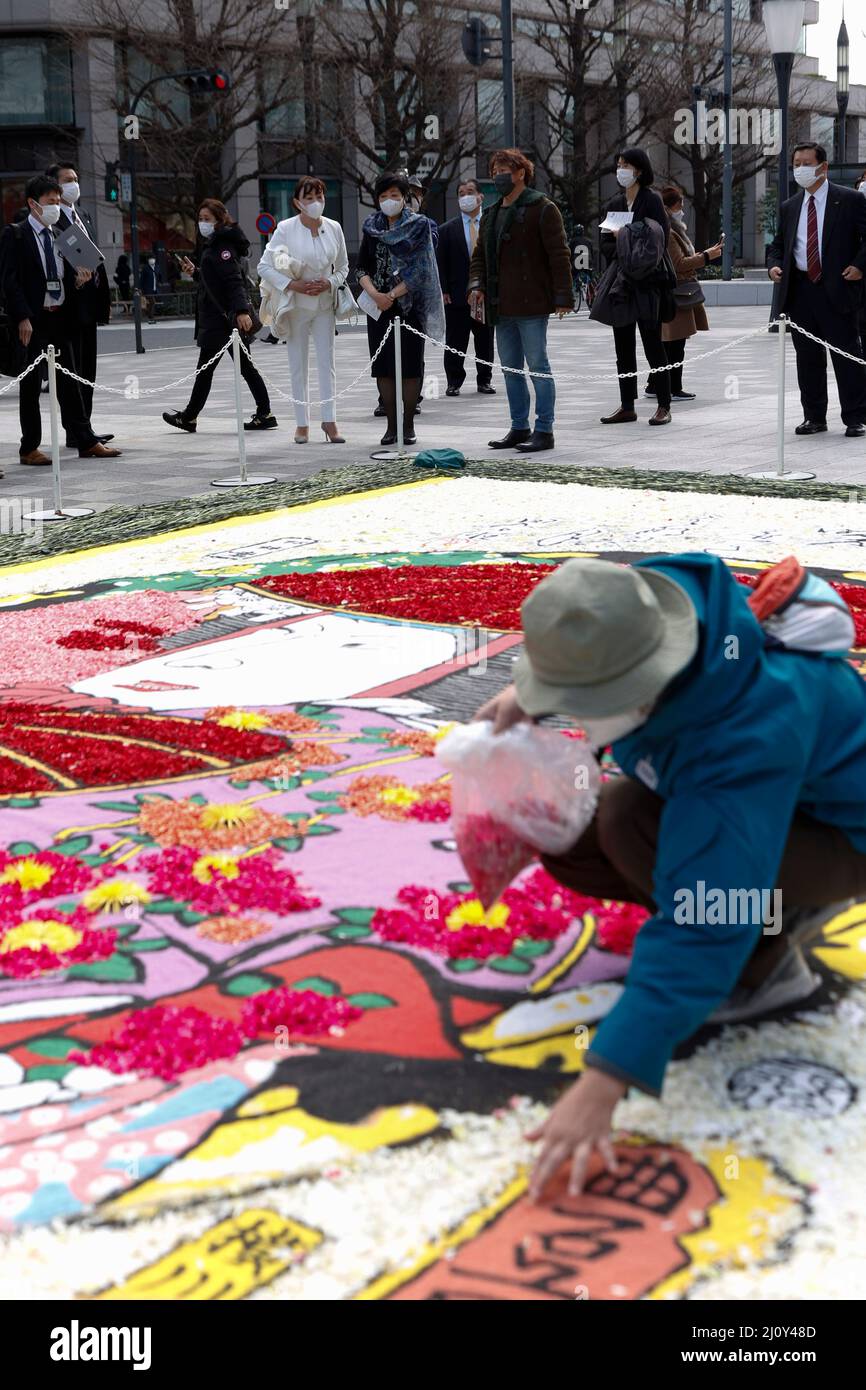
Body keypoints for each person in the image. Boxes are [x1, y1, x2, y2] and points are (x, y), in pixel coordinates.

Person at [474, 553, 866, 1200]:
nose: (570, 714)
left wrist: (605, 1079)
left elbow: (708, 909)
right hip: (776, 804)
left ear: (646, 688)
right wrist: (535, 692)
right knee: (575, 830)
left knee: (633, 821)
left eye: (583, 701)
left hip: (845, 841)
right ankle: (770, 915)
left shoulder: (744, 732)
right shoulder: (659, 609)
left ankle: (765, 964)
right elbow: (604, 648)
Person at [0, 174, 121, 465]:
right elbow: (9, 281)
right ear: (33, 204)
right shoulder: (16, 234)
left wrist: (81, 280)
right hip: (33, 320)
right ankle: (29, 447)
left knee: (70, 381)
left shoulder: (62, 235)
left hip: (61, 318)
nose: (55, 206)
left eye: (57, 201)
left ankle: (85, 440)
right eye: (49, 202)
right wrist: (23, 317)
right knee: (30, 387)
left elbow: (70, 276)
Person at [468, 147, 573, 453]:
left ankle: (544, 429)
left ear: (521, 173)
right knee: (510, 369)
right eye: (494, 171)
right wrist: (476, 285)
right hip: (502, 305)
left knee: (538, 364)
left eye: (504, 170)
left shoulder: (542, 207)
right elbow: (479, 257)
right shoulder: (491, 213)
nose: (498, 176)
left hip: (532, 303)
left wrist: (563, 296)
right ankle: (519, 426)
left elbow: (559, 254)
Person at [767, 143, 866, 439]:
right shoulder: (790, 206)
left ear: (822, 167)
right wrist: (773, 265)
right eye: (796, 163)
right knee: (807, 358)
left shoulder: (849, 200)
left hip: (837, 288)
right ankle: (814, 416)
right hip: (800, 291)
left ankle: (855, 417)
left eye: (805, 163)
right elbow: (778, 245)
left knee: (846, 355)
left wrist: (860, 265)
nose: (799, 169)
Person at [162, 199, 275, 434]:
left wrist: (243, 310)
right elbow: (215, 281)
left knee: (207, 370)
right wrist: (197, 273)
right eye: (200, 219)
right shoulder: (216, 244)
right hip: (223, 318)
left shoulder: (222, 246)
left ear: (219, 220)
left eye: (207, 219)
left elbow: (234, 280)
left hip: (222, 320)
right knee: (239, 368)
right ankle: (264, 413)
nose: (203, 223)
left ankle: (190, 417)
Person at [355, 172, 445, 447]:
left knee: (409, 367)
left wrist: (392, 294)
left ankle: (407, 425)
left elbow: (422, 270)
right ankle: (391, 426)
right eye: (383, 196)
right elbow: (361, 267)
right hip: (378, 307)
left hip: (408, 308)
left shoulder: (419, 226)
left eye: (394, 195)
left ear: (405, 198)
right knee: (383, 367)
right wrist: (375, 294)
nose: (389, 200)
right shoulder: (371, 227)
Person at [257, 175, 348, 444]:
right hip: (295, 305)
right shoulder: (286, 229)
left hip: (323, 304)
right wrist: (292, 284)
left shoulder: (334, 227)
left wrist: (329, 282)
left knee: (326, 362)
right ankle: (301, 423)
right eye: (309, 198)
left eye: (319, 197)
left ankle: (329, 420)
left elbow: (343, 267)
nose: (315, 202)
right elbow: (265, 266)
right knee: (298, 364)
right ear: (297, 202)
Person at [596, 148, 673, 427]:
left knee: (653, 343)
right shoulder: (614, 202)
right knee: (623, 345)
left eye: (626, 165)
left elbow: (657, 238)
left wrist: (624, 235)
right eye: (618, 165)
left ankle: (664, 404)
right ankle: (627, 405)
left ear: (639, 170)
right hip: (621, 282)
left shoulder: (651, 200)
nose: (621, 170)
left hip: (648, 280)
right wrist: (626, 242)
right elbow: (604, 242)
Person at [47, 163, 114, 446]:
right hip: (68, 307)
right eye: (67, 180)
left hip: (91, 304)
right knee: (70, 371)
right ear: (54, 186)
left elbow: (94, 259)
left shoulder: (83, 214)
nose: (73, 185)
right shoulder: (50, 221)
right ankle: (76, 430)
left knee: (88, 370)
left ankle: (85, 426)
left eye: (76, 179)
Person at [644, 185, 722, 402]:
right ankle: (673, 387)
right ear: (669, 207)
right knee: (675, 342)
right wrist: (707, 256)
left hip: (675, 291)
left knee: (669, 341)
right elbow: (678, 264)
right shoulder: (668, 230)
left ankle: (654, 384)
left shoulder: (670, 227)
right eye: (680, 205)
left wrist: (705, 253)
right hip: (676, 291)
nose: (683, 209)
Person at [436, 178, 496, 397]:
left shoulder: (491, 225)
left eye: (470, 192)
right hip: (456, 295)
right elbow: (440, 262)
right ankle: (454, 381)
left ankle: (485, 380)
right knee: (455, 340)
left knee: (485, 340)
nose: (466, 196)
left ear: (481, 196)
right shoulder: (446, 230)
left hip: (484, 295)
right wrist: (444, 290)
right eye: (461, 193)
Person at [139, 255, 158, 321]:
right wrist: (141, 288)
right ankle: (150, 315)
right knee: (152, 302)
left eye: (153, 258)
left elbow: (158, 276)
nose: (152, 260)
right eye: (150, 258)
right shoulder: (145, 268)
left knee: (151, 302)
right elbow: (142, 279)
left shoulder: (156, 267)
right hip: (147, 289)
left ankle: (149, 313)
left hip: (154, 288)